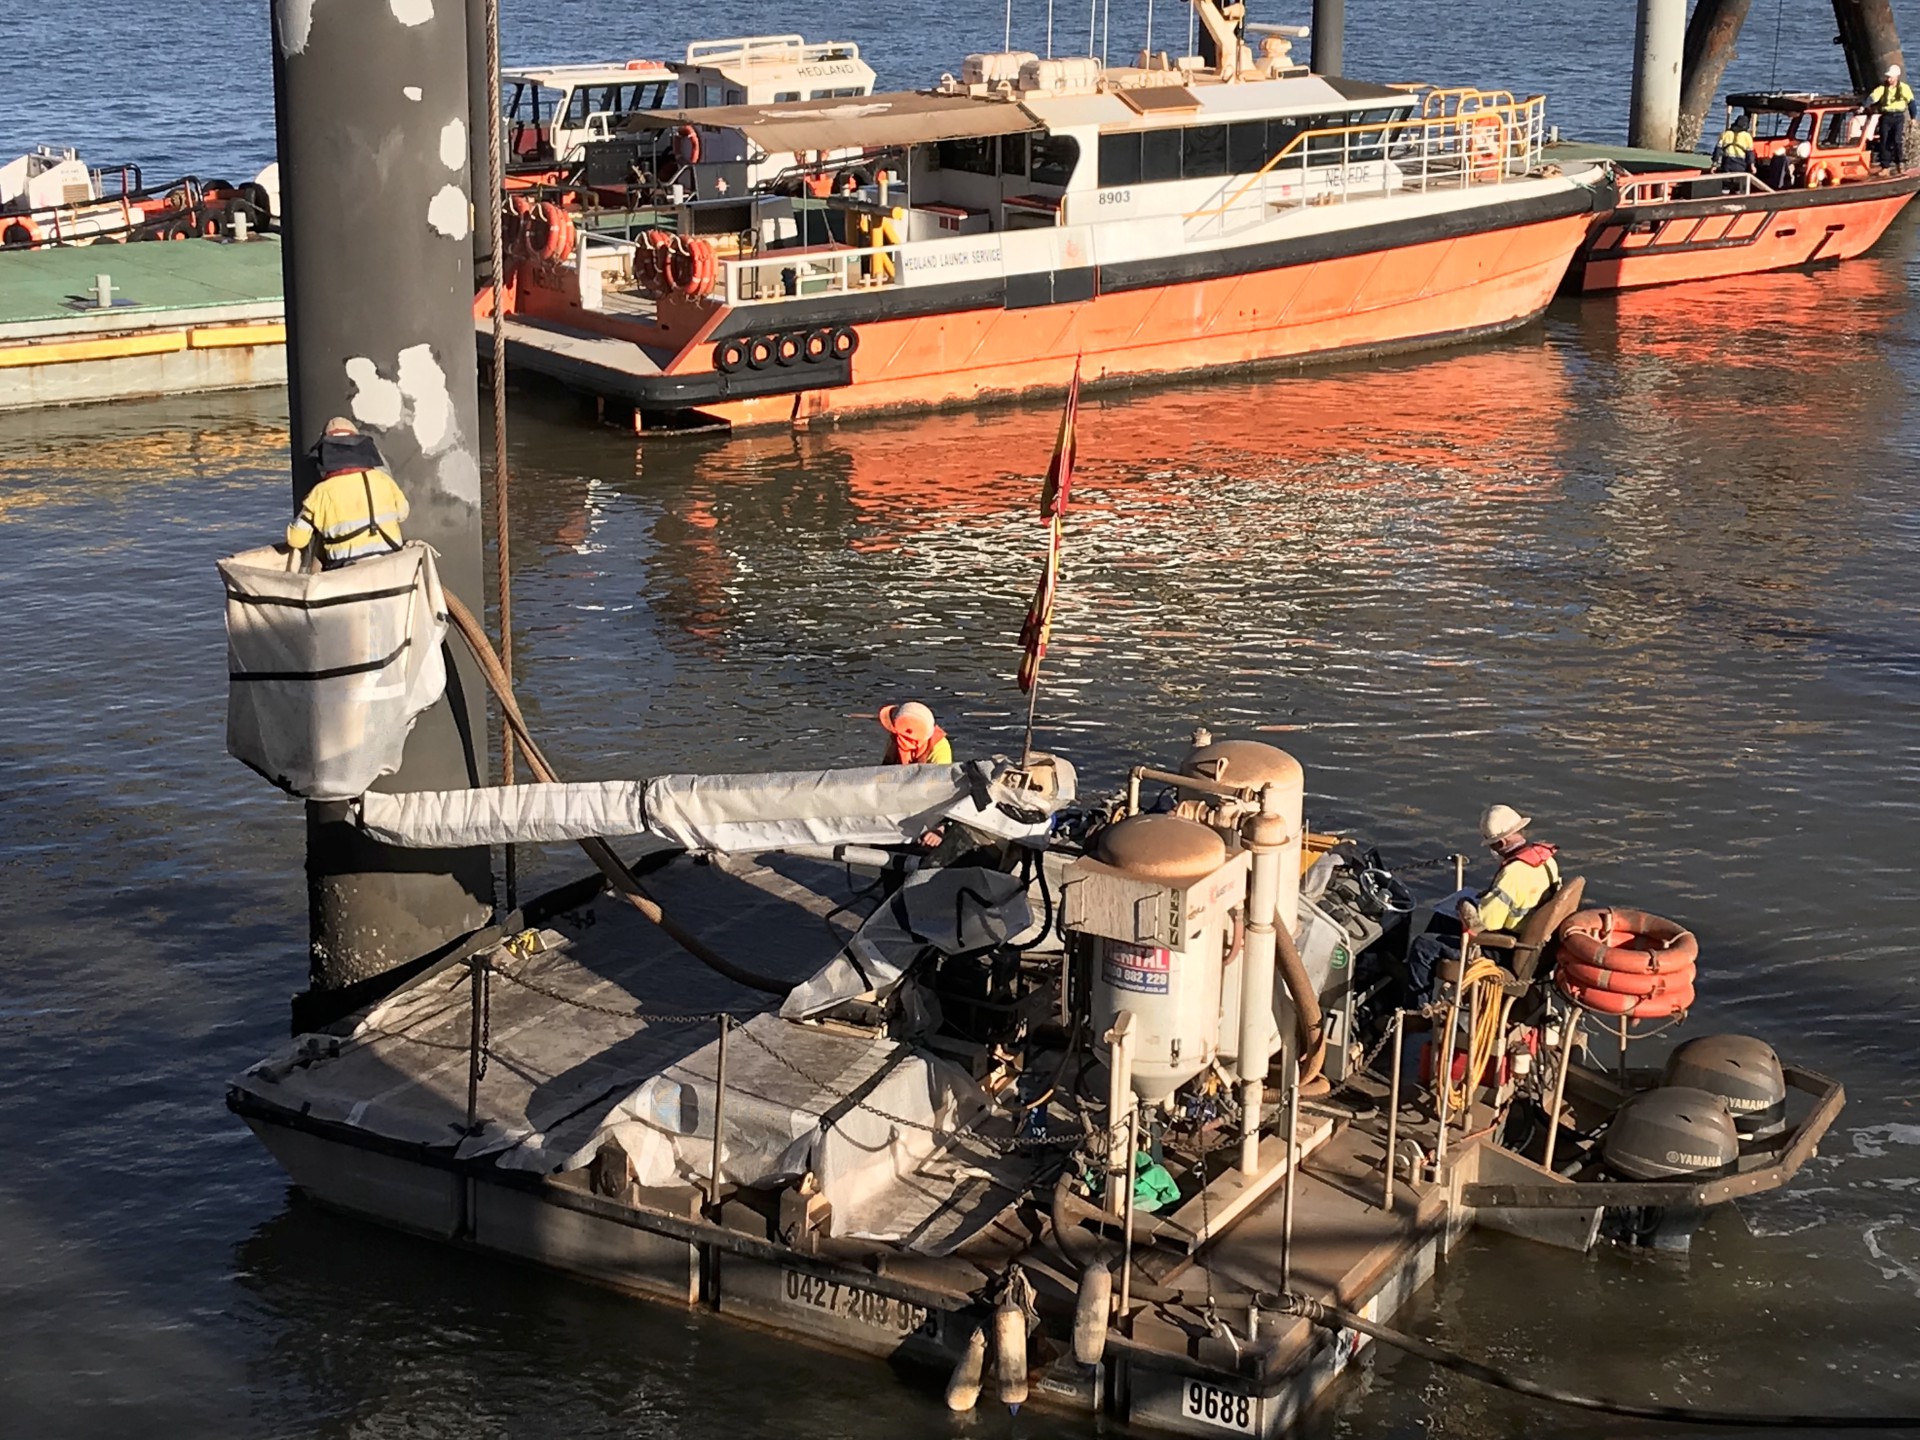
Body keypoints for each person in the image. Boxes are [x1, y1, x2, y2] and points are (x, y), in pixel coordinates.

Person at [285, 418, 409, 569]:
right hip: (391, 564)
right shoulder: (384, 481)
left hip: (346, 572)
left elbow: (296, 541)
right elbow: (403, 514)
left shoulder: (320, 492)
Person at [1457, 804, 1561, 937]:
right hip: (1536, 929)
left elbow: (1488, 924)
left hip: (1509, 939)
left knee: (1427, 943)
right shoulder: (1547, 860)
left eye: (1492, 845)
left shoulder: (1511, 874)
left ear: (1500, 843)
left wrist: (1465, 907)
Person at [1869, 64, 1915, 172]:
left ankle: (1899, 163)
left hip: (1898, 117)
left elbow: (1911, 103)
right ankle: (1885, 166)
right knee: (1884, 141)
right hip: (1886, 117)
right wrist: (1864, 105)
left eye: (1890, 77)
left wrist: (1913, 118)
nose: (1888, 79)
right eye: (1888, 77)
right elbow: (1872, 97)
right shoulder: (1882, 88)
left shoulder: (1904, 88)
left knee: (1897, 140)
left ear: (1896, 77)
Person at [877, 701, 952, 766]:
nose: (894, 737)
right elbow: (886, 767)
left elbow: (939, 779)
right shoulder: (894, 741)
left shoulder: (940, 748)